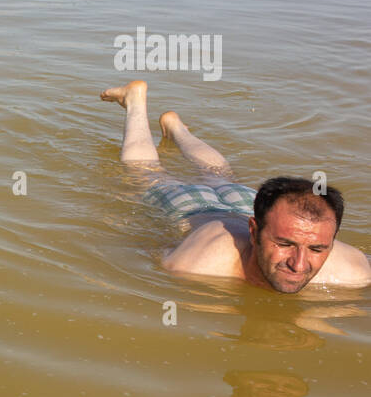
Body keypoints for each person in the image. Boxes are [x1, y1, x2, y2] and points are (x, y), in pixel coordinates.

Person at [99, 80, 370, 291]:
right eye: (284, 244)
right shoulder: (200, 264)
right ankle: (136, 102)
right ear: (253, 232)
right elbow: (155, 252)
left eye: (317, 248)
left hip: (246, 202)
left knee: (219, 174)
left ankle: (176, 129)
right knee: (144, 173)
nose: (299, 264)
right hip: (193, 209)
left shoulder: (354, 272)